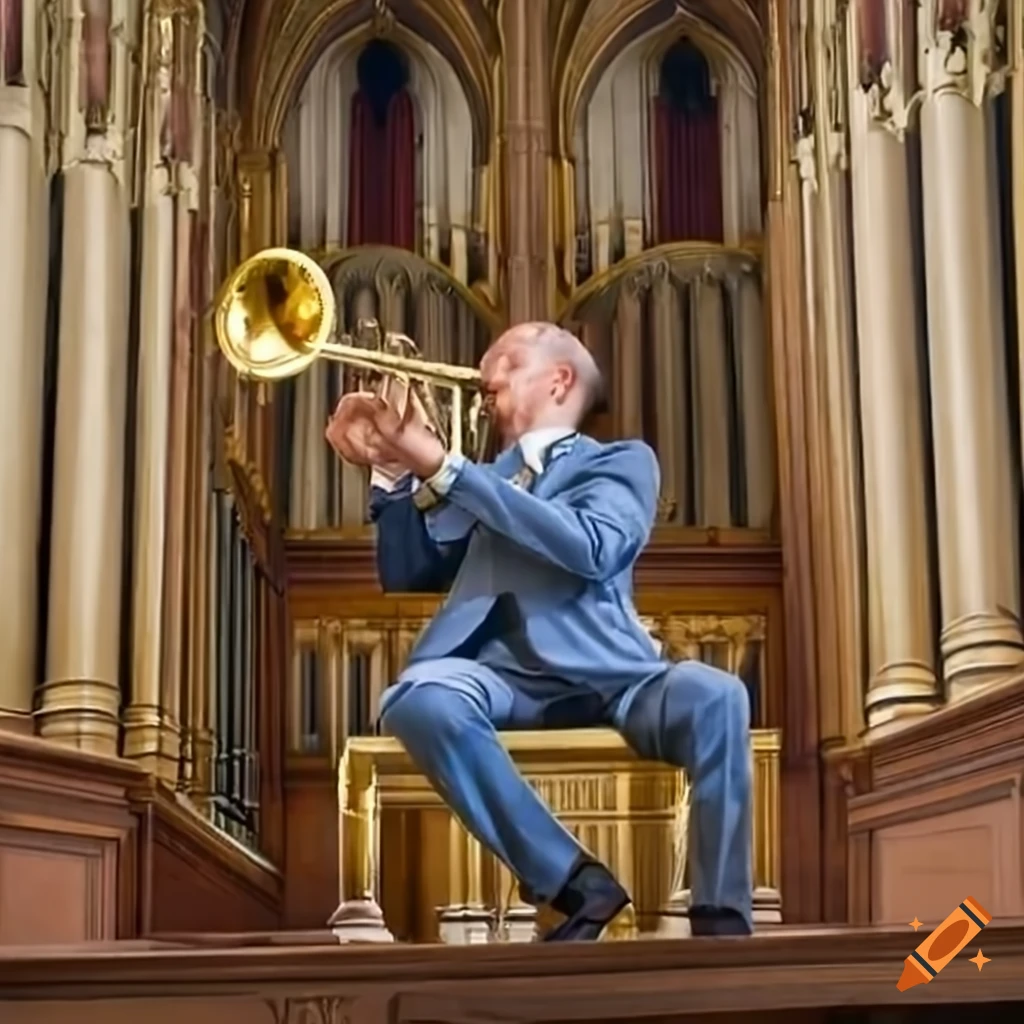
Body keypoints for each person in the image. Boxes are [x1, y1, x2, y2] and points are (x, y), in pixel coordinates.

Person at [325, 320, 753, 941]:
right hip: (502, 679)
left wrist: (447, 470)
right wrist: (393, 474)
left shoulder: (620, 461)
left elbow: (595, 548)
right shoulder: (479, 476)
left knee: (720, 695)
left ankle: (720, 917)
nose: (486, 378)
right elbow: (409, 572)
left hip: (617, 678)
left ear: (560, 380)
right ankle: (575, 881)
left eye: (509, 362)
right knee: (417, 700)